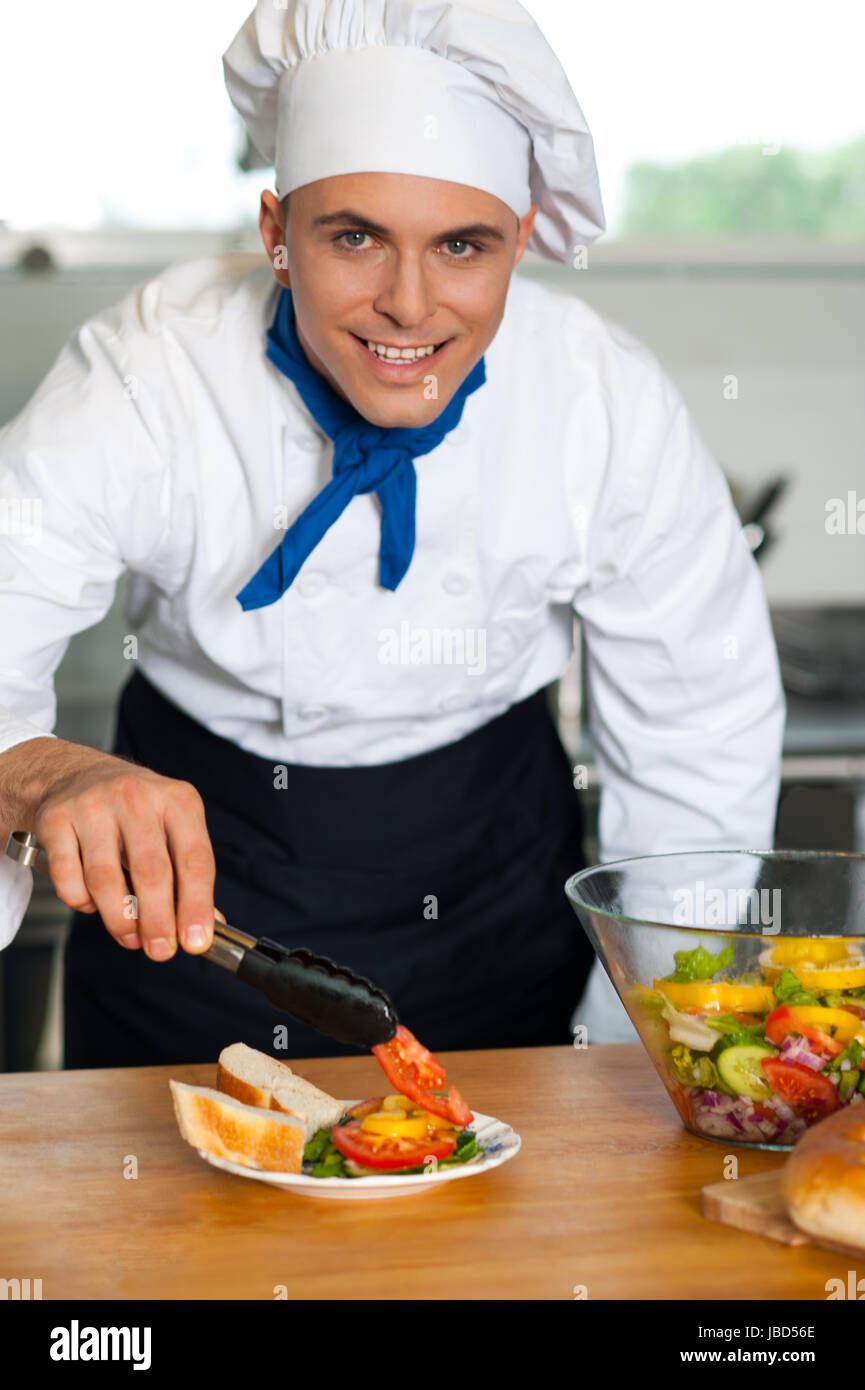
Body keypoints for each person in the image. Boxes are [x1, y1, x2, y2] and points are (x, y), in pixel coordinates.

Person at [0, 0, 785, 1067]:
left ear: (518, 244)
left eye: (462, 245)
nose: (407, 306)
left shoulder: (602, 400)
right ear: (276, 235)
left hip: (493, 912)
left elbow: (700, 727)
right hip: (189, 920)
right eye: (355, 237)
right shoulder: (149, 375)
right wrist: (44, 771)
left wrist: (636, 1033)